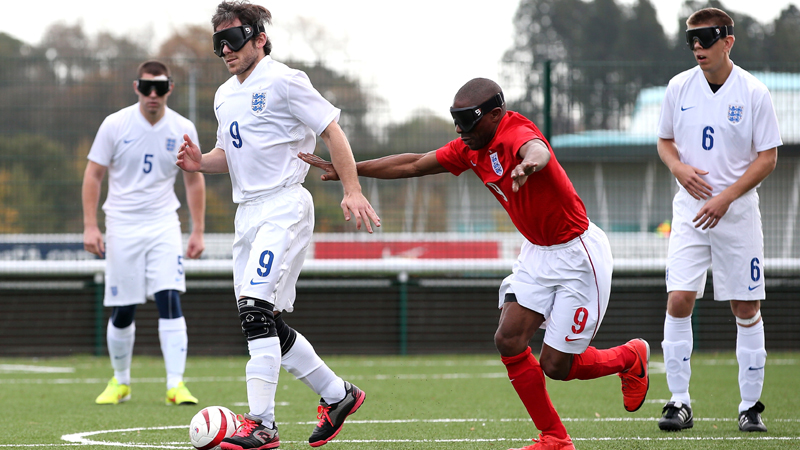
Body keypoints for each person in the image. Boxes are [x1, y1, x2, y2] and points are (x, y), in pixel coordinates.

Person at [299, 77, 650, 450]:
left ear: (495, 114)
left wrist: (529, 164)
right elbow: (415, 164)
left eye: (468, 121)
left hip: (578, 256)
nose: (460, 130)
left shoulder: (516, 131)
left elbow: (537, 149)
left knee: (556, 367)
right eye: (456, 120)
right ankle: (555, 438)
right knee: (509, 339)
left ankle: (629, 358)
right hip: (537, 252)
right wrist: (350, 169)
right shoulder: (471, 148)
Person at [175, 2, 380, 449]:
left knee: (254, 310)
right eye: (218, 43)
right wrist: (198, 163)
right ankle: (338, 394)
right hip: (246, 213)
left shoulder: (286, 80)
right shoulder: (223, 95)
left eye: (233, 38)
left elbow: (332, 131)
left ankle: (261, 424)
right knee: (260, 319)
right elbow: (228, 156)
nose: (225, 50)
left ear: (259, 38)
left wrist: (352, 189)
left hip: (284, 205)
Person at [656, 7, 780, 433]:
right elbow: (665, 141)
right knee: (678, 299)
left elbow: (768, 158)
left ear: (728, 41)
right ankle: (678, 401)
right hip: (689, 212)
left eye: (706, 38)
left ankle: (750, 406)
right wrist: (678, 168)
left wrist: (726, 198)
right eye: (691, 38)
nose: (697, 47)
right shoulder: (677, 88)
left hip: (738, 213)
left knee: (745, 306)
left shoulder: (754, 92)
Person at [83, 60, 206, 406]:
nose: (154, 94)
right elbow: (93, 175)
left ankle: (175, 385)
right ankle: (121, 382)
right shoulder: (115, 124)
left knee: (170, 295)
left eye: (161, 87)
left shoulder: (183, 128)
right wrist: (91, 225)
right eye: (147, 87)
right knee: (124, 307)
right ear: (136, 87)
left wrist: (198, 230)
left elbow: (193, 179)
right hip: (121, 224)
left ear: (170, 89)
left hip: (164, 222)